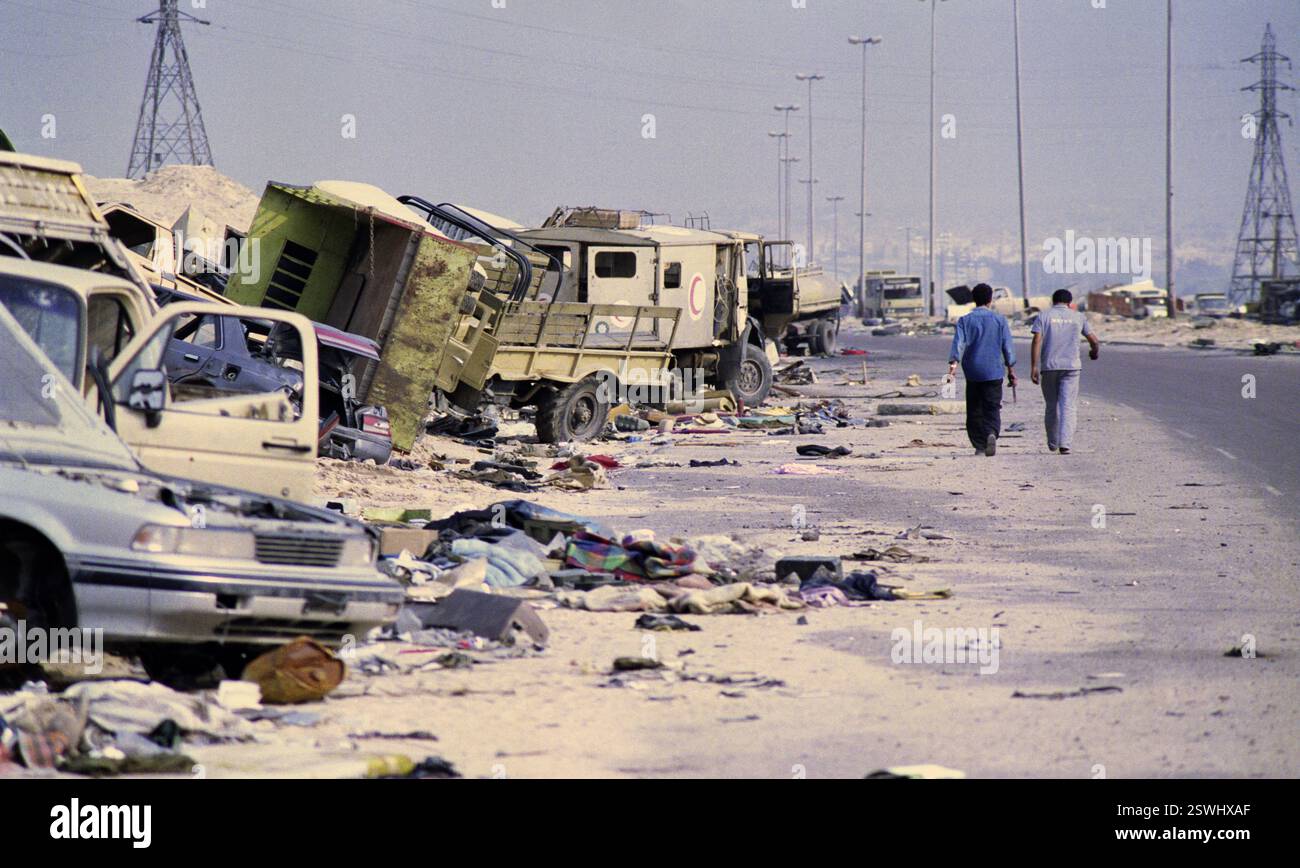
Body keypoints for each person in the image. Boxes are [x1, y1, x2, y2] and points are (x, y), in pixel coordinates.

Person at [948, 284, 1017, 456]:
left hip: (973, 372)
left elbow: (958, 345)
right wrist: (1011, 370)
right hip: (994, 371)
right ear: (990, 299)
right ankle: (991, 432)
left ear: (974, 299)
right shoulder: (1000, 320)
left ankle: (979, 445)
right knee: (992, 406)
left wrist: (952, 367)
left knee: (974, 409)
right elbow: (1007, 348)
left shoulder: (965, 320)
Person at [1030, 289, 1100, 455]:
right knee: (1068, 405)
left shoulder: (1043, 316)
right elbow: (1094, 340)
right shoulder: (1078, 317)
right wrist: (1094, 352)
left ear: (1053, 301)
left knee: (1051, 405)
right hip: (1071, 367)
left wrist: (1034, 366)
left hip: (1049, 367)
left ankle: (1053, 442)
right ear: (1070, 303)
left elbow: (1037, 340)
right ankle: (1065, 444)